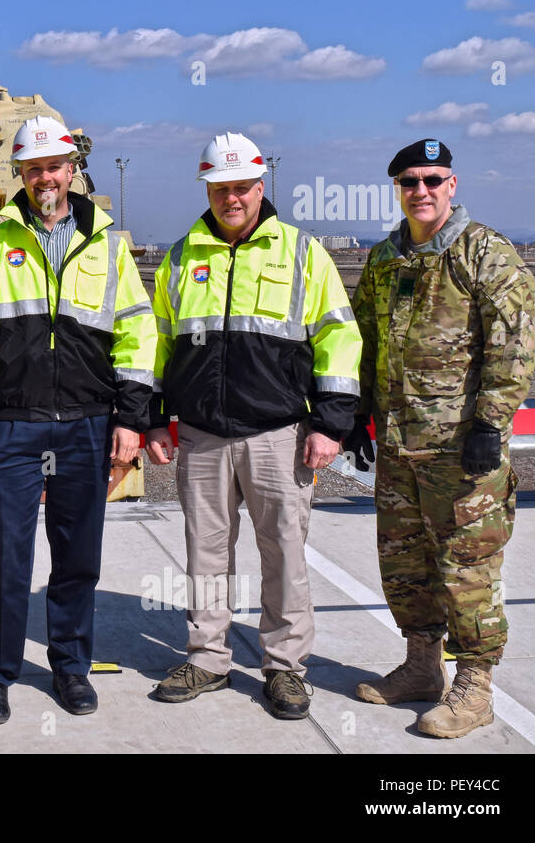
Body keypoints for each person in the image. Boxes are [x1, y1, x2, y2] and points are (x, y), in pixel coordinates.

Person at [0, 115, 155, 725]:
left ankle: (70, 668)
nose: (45, 178)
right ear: (22, 175)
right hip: (10, 424)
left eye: (53, 167)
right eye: (33, 168)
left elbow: (137, 334)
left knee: (77, 555)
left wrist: (130, 418)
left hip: (88, 422)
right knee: (5, 556)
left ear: (72, 170)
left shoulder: (110, 245)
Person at [146, 132, 361, 720]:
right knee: (206, 553)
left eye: (241, 187)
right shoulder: (182, 255)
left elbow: (339, 340)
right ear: (208, 190)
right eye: (220, 188)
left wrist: (330, 425)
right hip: (203, 434)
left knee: (284, 551)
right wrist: (155, 419)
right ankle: (209, 657)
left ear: (260, 188)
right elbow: (158, 343)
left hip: (278, 434)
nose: (230, 197)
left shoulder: (300, 253)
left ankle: (285, 667)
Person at [349, 139, 535, 738]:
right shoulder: (385, 259)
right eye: (410, 181)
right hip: (401, 447)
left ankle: (476, 685)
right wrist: (357, 414)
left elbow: (514, 339)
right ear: (398, 189)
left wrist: (491, 420)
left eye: (433, 179)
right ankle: (421, 667)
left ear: (452, 185)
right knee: (404, 564)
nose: (421, 191)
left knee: (468, 567)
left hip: (464, 450)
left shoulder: (484, 252)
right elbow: (364, 340)